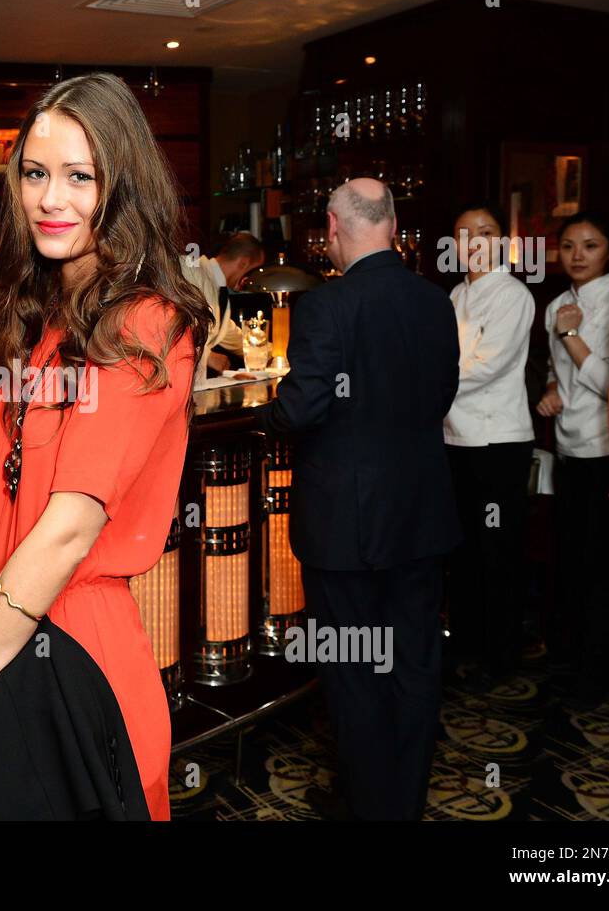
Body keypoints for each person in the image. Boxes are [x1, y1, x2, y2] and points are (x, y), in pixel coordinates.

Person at [0, 72, 212, 820]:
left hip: (75, 661)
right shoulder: (45, 317)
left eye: (81, 177)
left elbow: (70, 526)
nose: (51, 199)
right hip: (3, 635)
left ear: (124, 186)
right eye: (36, 174)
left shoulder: (146, 324)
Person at [253, 178, 462, 821]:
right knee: (413, 668)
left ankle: (369, 809)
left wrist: (267, 411)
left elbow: (301, 407)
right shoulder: (436, 302)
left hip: (347, 529)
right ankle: (402, 805)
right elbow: (441, 395)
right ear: (392, 226)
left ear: (335, 231)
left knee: (353, 672)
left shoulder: (326, 306)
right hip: (422, 518)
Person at [534, 211, 609, 709]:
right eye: (568, 245)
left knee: (603, 566)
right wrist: (551, 388)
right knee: (568, 560)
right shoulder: (557, 305)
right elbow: (555, 370)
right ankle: (567, 663)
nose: (576, 255)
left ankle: (599, 673)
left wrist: (572, 338)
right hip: (569, 449)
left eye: (589, 246)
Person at [442, 202, 535, 693]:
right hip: (455, 438)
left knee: (497, 550)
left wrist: (424, 385)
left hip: (498, 441)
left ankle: (500, 657)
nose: (475, 241)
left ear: (503, 240)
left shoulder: (512, 294)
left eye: (486, 232)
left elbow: (487, 365)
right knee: (464, 550)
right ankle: (467, 645)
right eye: (464, 233)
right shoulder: (457, 293)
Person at [179, 232, 263, 383]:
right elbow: (171, 327)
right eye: (255, 271)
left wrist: (273, 353)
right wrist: (209, 357)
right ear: (244, 263)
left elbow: (229, 334)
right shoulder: (190, 269)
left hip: (195, 386)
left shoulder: (220, 289)